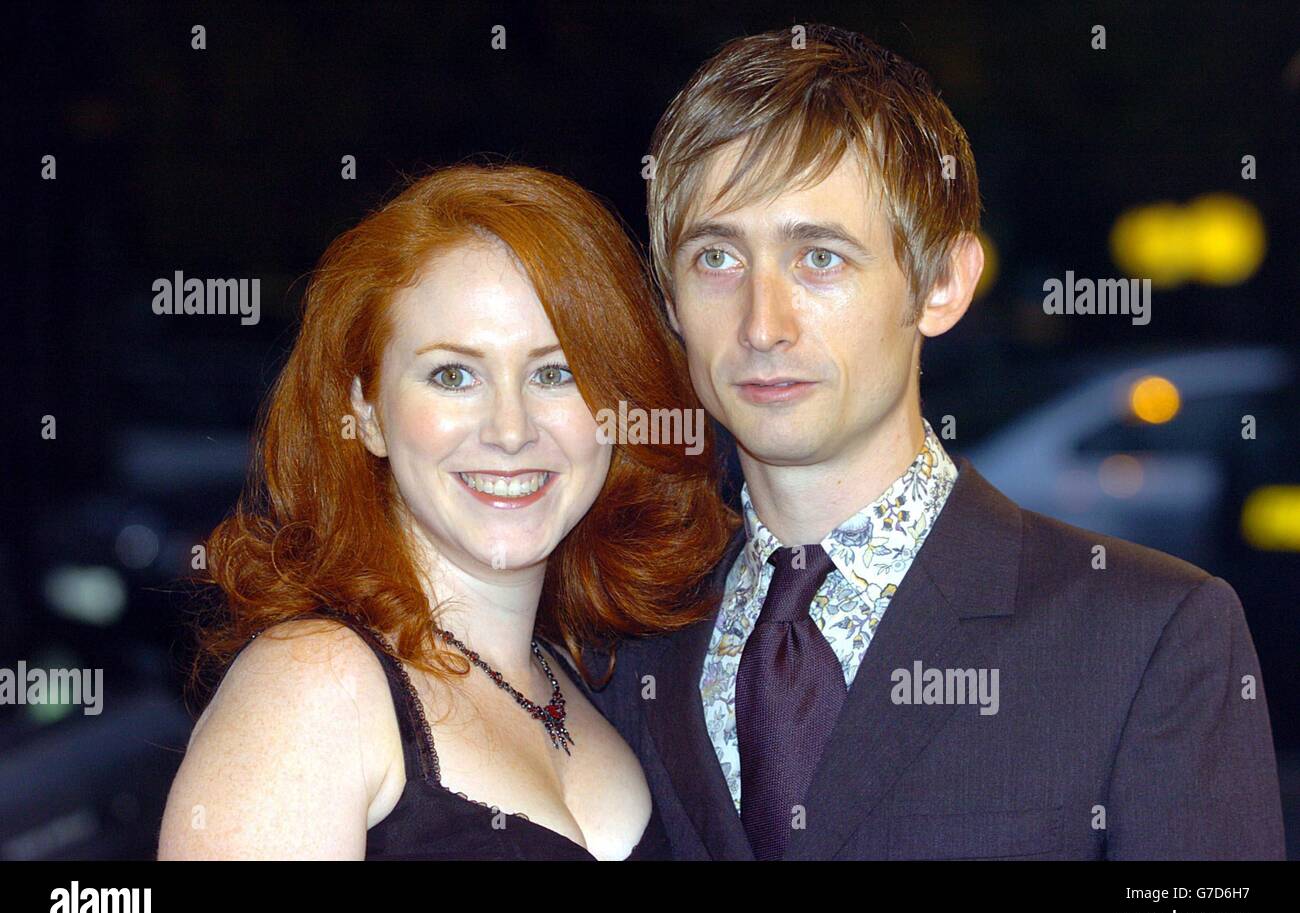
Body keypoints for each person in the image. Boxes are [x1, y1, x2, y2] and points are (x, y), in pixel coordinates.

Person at [585, 24, 1287, 860]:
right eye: (716, 258)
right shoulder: (620, 634)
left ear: (944, 283)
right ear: (668, 297)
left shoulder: (1151, 637)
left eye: (819, 257)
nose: (762, 324)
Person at [156, 163, 737, 860]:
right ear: (366, 413)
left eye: (555, 373)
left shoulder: (585, 681)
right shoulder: (314, 689)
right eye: (453, 375)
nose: (511, 429)